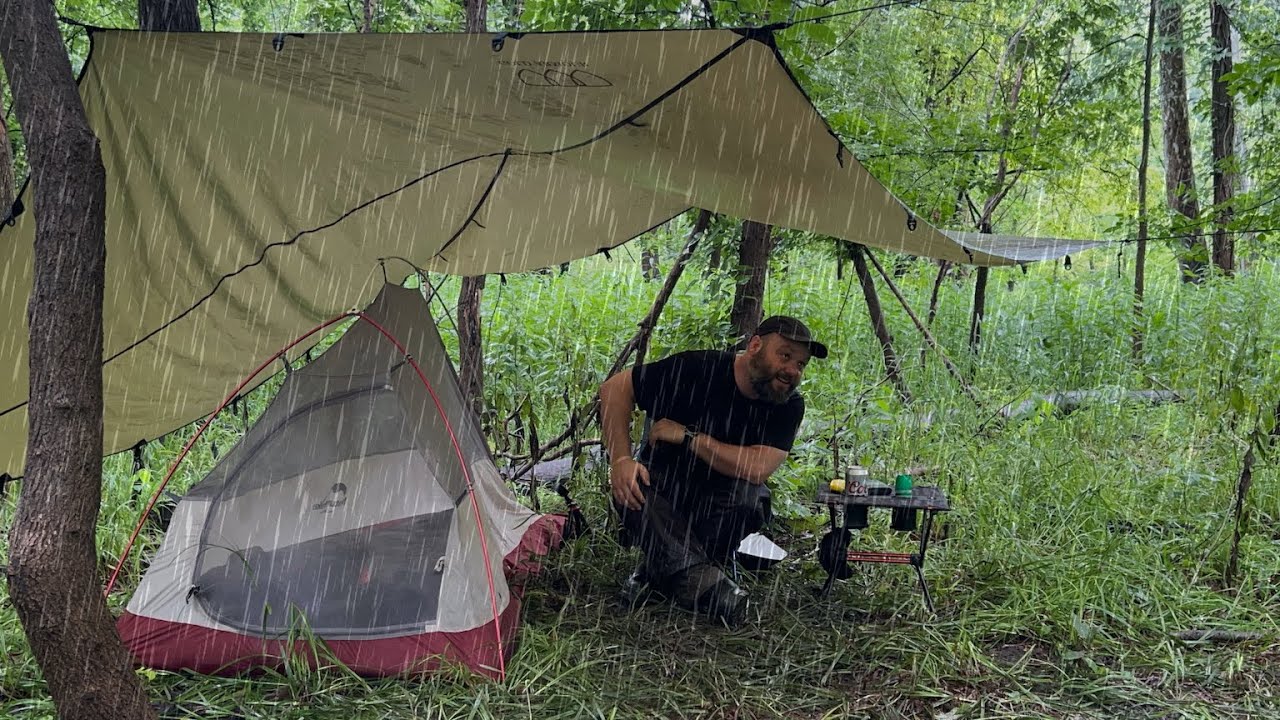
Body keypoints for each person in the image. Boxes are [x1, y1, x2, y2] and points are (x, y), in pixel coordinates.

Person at [598, 316, 828, 626]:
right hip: (665, 497)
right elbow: (615, 389)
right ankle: (707, 583)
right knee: (634, 488)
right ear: (755, 345)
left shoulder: (788, 405)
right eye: (785, 355)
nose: (792, 370)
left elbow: (758, 467)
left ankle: (665, 573)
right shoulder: (696, 369)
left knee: (750, 499)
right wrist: (621, 460)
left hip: (720, 507)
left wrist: (689, 438)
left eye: (801, 364)